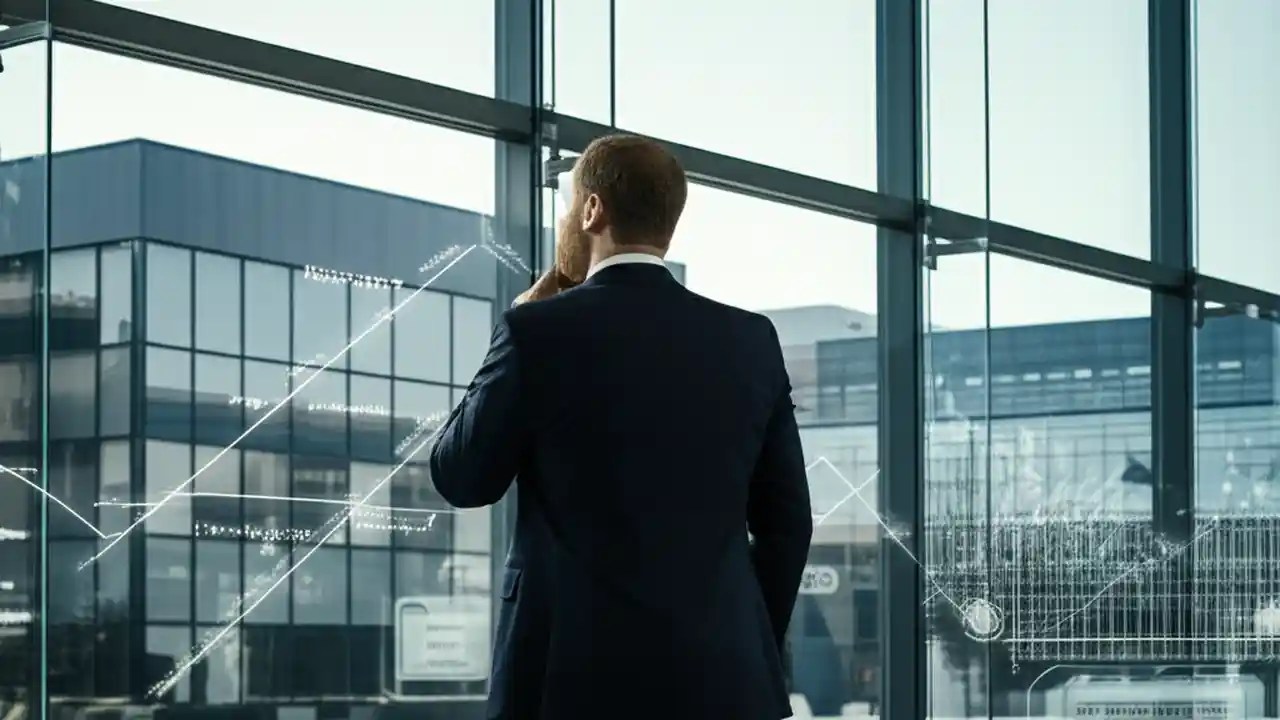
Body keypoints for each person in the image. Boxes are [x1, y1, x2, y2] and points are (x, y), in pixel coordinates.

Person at [429, 134, 813, 720]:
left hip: (569, 682)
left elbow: (462, 478)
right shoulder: (750, 341)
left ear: (590, 210)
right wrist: (742, 639)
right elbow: (788, 526)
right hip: (724, 682)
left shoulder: (537, 332)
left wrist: (516, 329)